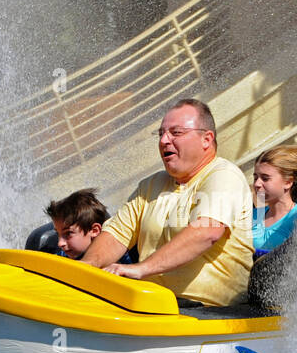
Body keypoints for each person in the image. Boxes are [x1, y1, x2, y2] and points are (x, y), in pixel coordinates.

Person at [80, 99, 254, 306]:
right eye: (161, 133)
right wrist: (84, 269)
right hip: (152, 305)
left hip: (208, 313)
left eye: (176, 133)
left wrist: (141, 268)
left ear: (206, 139)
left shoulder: (224, 175)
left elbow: (207, 233)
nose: (164, 140)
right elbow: (116, 234)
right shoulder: (151, 184)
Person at [44, 188, 110, 259]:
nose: (60, 243)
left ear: (94, 231)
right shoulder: (60, 259)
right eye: (58, 234)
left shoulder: (116, 260)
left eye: (68, 233)